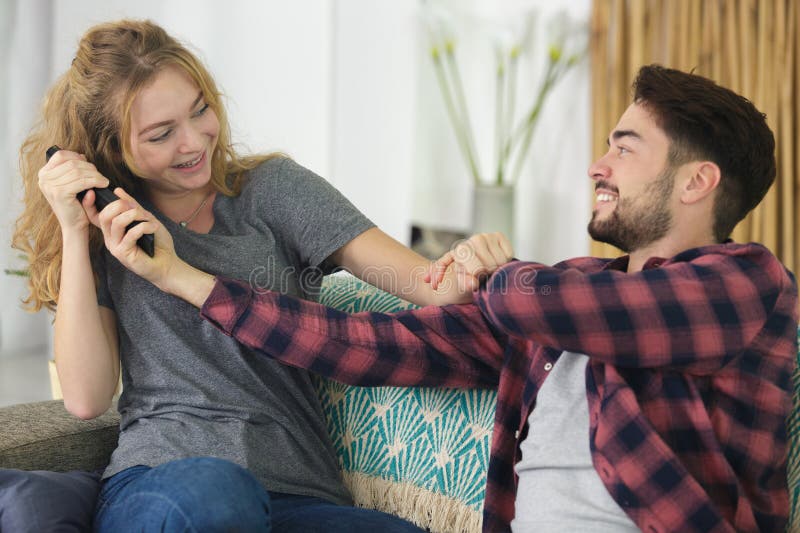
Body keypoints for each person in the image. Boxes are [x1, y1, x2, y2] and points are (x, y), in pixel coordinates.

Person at [115, 65, 799, 532]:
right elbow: (365, 344)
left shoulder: (747, 284)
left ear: (696, 182)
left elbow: (584, 308)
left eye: (625, 149)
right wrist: (188, 280)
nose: (598, 164)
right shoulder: (562, 299)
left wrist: (495, 272)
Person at [12, 19, 514, 532]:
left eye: (200, 110)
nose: (194, 142)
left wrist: (473, 261)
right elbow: (86, 398)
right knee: (218, 494)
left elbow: (429, 286)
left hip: (298, 494)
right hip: (164, 482)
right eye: (161, 134)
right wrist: (74, 229)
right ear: (113, 148)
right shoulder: (110, 229)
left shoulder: (272, 190)